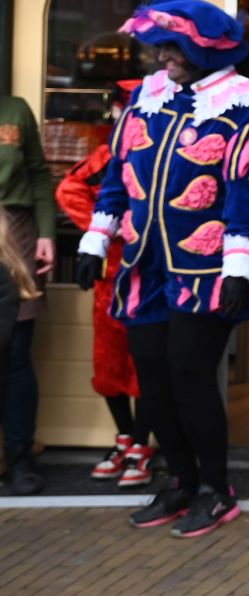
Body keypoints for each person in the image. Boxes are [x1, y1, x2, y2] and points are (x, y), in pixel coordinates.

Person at [73, 0, 249, 535]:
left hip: (207, 268)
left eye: (173, 47)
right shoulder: (149, 98)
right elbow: (119, 176)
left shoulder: (244, 105)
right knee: (154, 377)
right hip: (146, 264)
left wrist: (238, 267)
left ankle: (216, 487)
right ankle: (180, 481)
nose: (163, 56)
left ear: (203, 49)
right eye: (162, 46)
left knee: (190, 376)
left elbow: (248, 193)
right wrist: (95, 241)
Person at [55, 80, 150, 486]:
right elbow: (69, 189)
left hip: (154, 275)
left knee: (149, 365)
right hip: (113, 277)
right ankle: (127, 440)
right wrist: (104, 235)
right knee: (109, 364)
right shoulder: (109, 153)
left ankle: (142, 446)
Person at [0, 90, 57, 495]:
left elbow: (39, 174)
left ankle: (19, 454)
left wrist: (47, 234)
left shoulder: (15, 109)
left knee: (16, 352)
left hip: (15, 230)